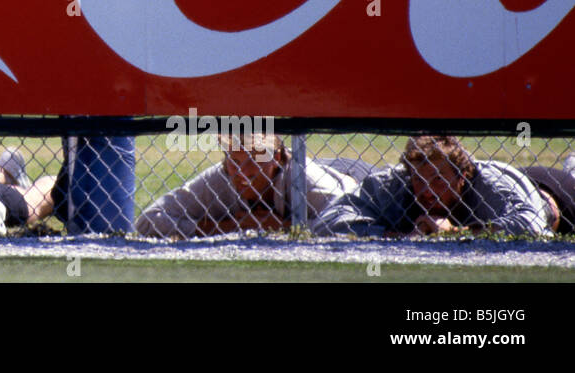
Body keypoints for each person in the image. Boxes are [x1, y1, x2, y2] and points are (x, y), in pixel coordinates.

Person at [312, 135, 549, 237]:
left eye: (438, 179)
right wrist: (399, 236)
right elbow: (327, 223)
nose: (427, 191)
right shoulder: (394, 182)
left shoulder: (489, 184)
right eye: (418, 180)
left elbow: (532, 223)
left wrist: (454, 233)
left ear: (462, 176)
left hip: (550, 189)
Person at [136, 133, 355, 238]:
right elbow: (148, 221)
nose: (242, 173)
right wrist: (230, 227)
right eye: (235, 161)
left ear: (277, 157)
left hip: (351, 172)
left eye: (254, 161)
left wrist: (285, 227)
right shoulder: (221, 176)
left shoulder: (311, 183)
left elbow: (350, 224)